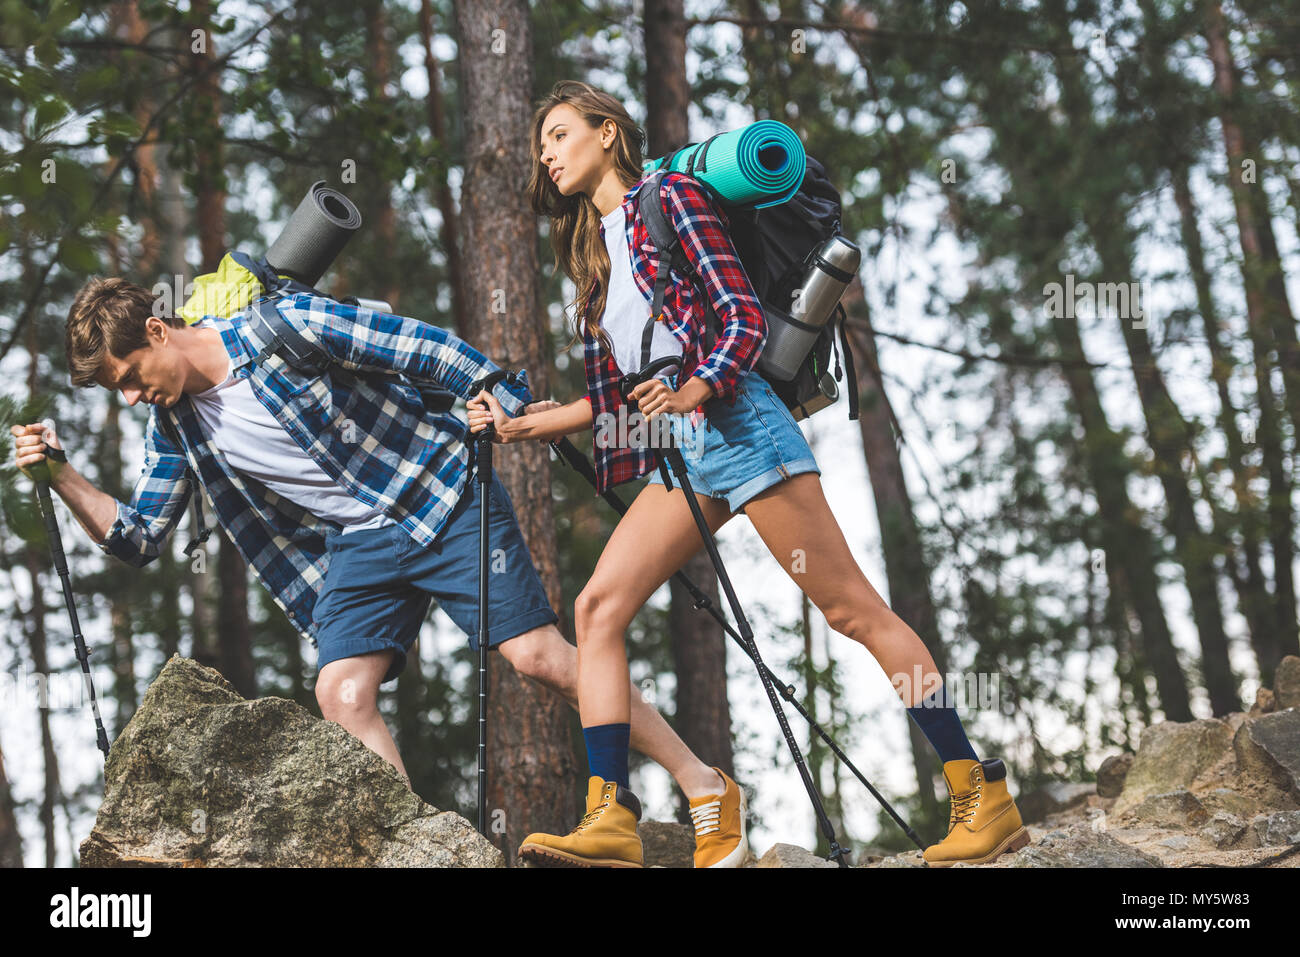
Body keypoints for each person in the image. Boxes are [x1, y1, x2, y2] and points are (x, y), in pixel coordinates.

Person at [466, 79, 1030, 868]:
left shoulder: (673, 199)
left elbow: (741, 318)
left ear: (607, 132)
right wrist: (520, 423)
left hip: (741, 424)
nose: (547, 155)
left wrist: (691, 388)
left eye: (560, 135)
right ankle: (613, 816)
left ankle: (981, 792)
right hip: (691, 451)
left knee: (852, 611)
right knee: (598, 608)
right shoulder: (596, 259)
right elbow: (611, 398)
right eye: (540, 147)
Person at [11, 277, 747, 867]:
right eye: (120, 393)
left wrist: (504, 394)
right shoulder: (173, 426)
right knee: (342, 689)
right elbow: (138, 536)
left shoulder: (278, 327)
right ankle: (416, 852)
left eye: (131, 378)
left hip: (439, 490)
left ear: (157, 331)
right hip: (358, 544)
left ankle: (702, 781)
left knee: (540, 658)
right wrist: (61, 474)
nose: (135, 397)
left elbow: (416, 347)